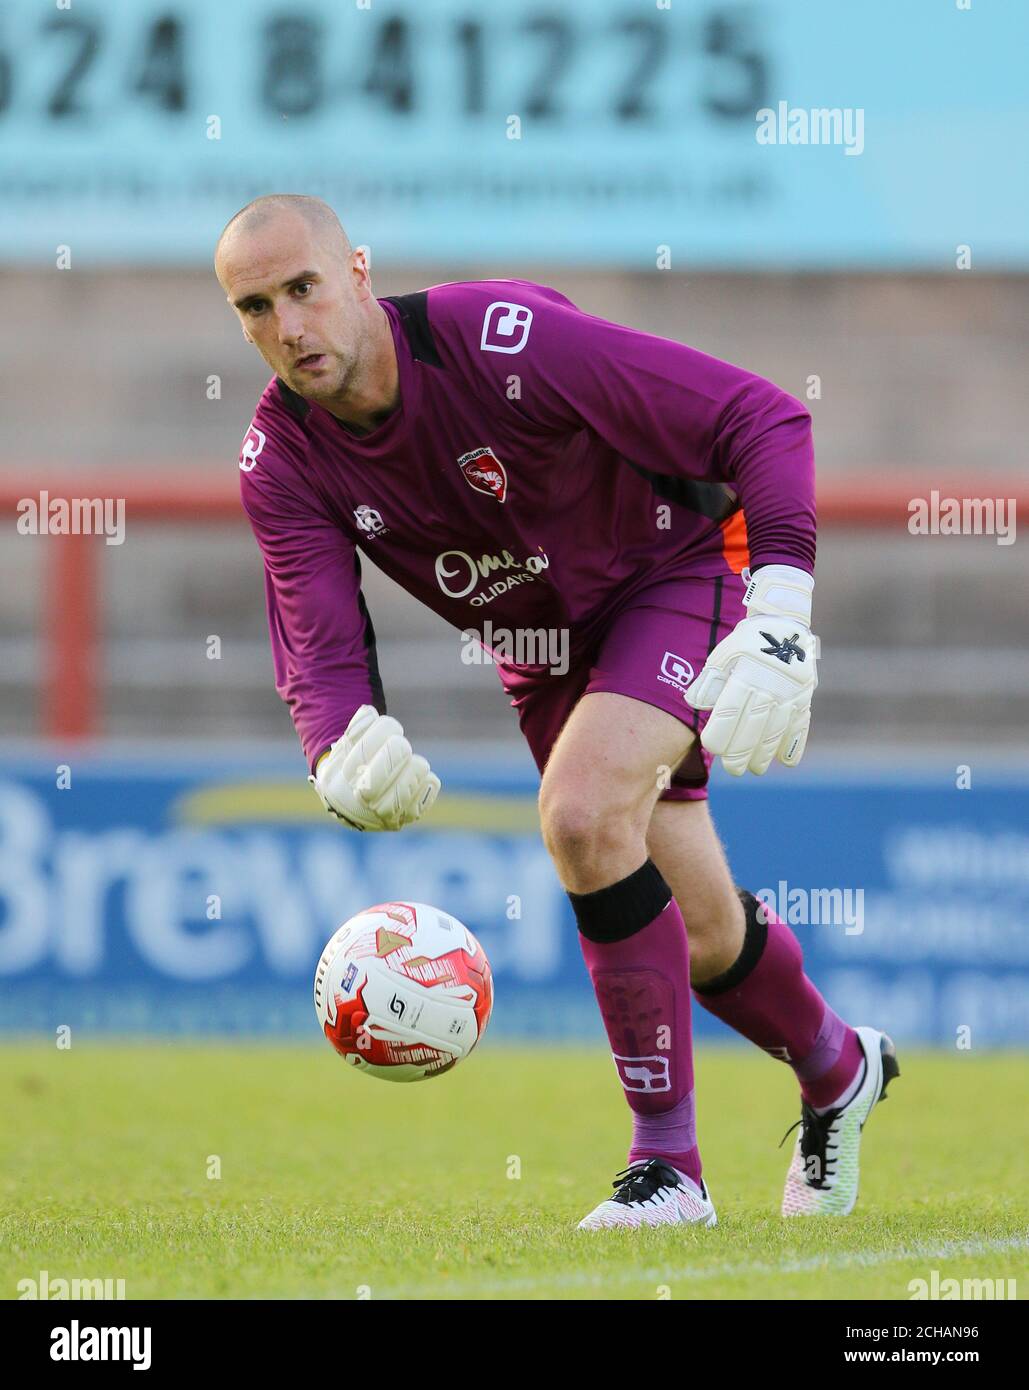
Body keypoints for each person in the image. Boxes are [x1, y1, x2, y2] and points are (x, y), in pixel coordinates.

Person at [214, 194, 898, 1230]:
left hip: (675, 569)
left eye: (302, 288)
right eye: (255, 308)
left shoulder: (496, 340)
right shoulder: (282, 460)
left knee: (580, 817)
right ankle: (838, 1065)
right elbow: (319, 643)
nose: (288, 327)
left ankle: (668, 1170)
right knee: (705, 932)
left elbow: (761, 414)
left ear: (357, 271)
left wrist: (784, 609)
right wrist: (335, 746)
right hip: (540, 648)